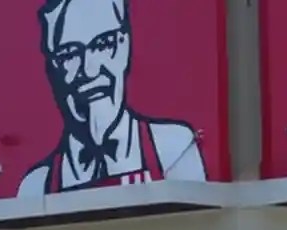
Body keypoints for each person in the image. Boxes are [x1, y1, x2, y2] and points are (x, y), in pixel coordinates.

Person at [18, 0, 207, 196]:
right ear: (51, 69)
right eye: (69, 54)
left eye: (103, 44)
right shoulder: (37, 185)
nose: (89, 70)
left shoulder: (176, 148)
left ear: (125, 46)